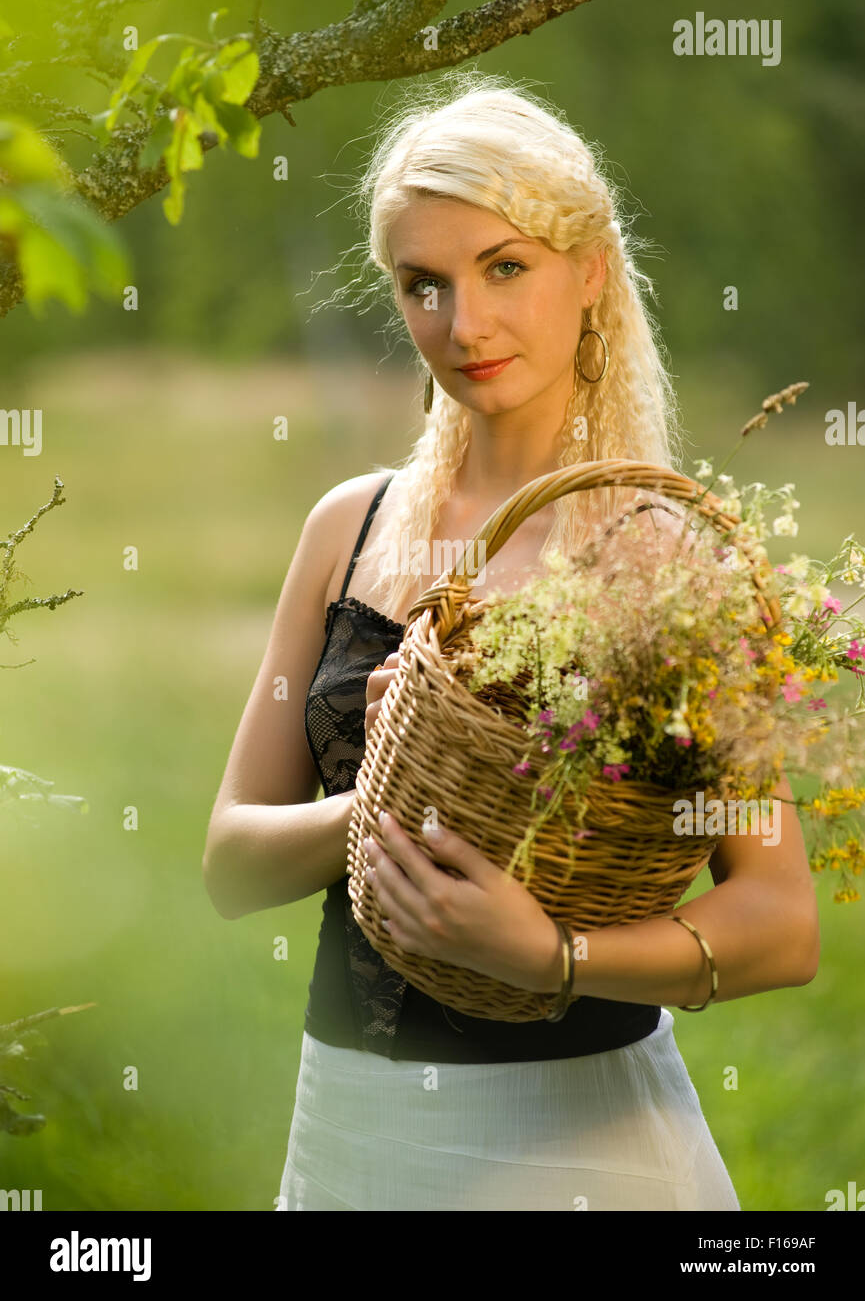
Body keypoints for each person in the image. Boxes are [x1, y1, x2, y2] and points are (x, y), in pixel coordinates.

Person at [202, 72, 819, 1211]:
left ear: (589, 273)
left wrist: (553, 959)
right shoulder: (353, 524)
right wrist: (384, 795)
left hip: (575, 1133)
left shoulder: (666, 557)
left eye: (504, 268)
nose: (464, 325)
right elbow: (230, 863)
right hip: (344, 1124)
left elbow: (779, 922)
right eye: (421, 285)